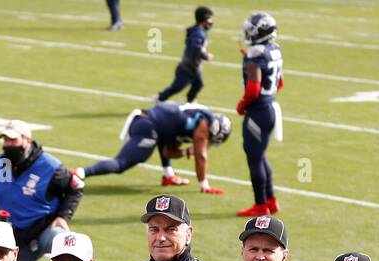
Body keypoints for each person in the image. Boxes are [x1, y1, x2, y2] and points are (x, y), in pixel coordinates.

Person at [0, 120, 84, 261]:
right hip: (16, 233)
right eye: (5, 140)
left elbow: (76, 187)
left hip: (44, 227)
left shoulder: (50, 166)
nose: (8, 144)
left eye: (13, 140)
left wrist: (63, 216)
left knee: (66, 251)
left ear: (27, 140)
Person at [75, 102, 229, 194]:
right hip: (148, 125)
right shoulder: (205, 124)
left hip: (152, 122)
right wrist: (204, 185)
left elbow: (168, 151)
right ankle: (80, 173)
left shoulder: (192, 120)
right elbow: (201, 156)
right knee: (120, 164)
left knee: (165, 137)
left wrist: (185, 152)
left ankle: (168, 174)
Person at [235, 11, 284, 218]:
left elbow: (254, 89)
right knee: (260, 156)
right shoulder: (274, 49)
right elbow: (279, 83)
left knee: (254, 158)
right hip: (271, 106)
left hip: (259, 110)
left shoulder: (255, 53)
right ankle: (271, 200)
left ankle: (260, 204)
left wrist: (242, 104)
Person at [155, 6, 215, 104]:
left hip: (194, 67)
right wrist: (206, 56)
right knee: (178, 87)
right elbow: (196, 49)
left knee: (198, 84)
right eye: (210, 19)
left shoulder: (198, 31)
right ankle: (160, 98)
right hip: (188, 68)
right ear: (204, 19)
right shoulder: (198, 33)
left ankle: (190, 101)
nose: (211, 22)